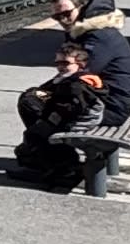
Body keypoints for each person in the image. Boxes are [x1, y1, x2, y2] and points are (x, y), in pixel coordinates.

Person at [14, 39, 109, 177]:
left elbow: (71, 110)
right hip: (75, 118)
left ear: (80, 64)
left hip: (78, 122)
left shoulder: (77, 85)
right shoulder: (69, 79)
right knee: (29, 99)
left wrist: (46, 123)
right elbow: (46, 91)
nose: (60, 67)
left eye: (65, 63)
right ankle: (53, 161)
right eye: (57, 63)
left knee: (37, 132)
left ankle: (57, 166)